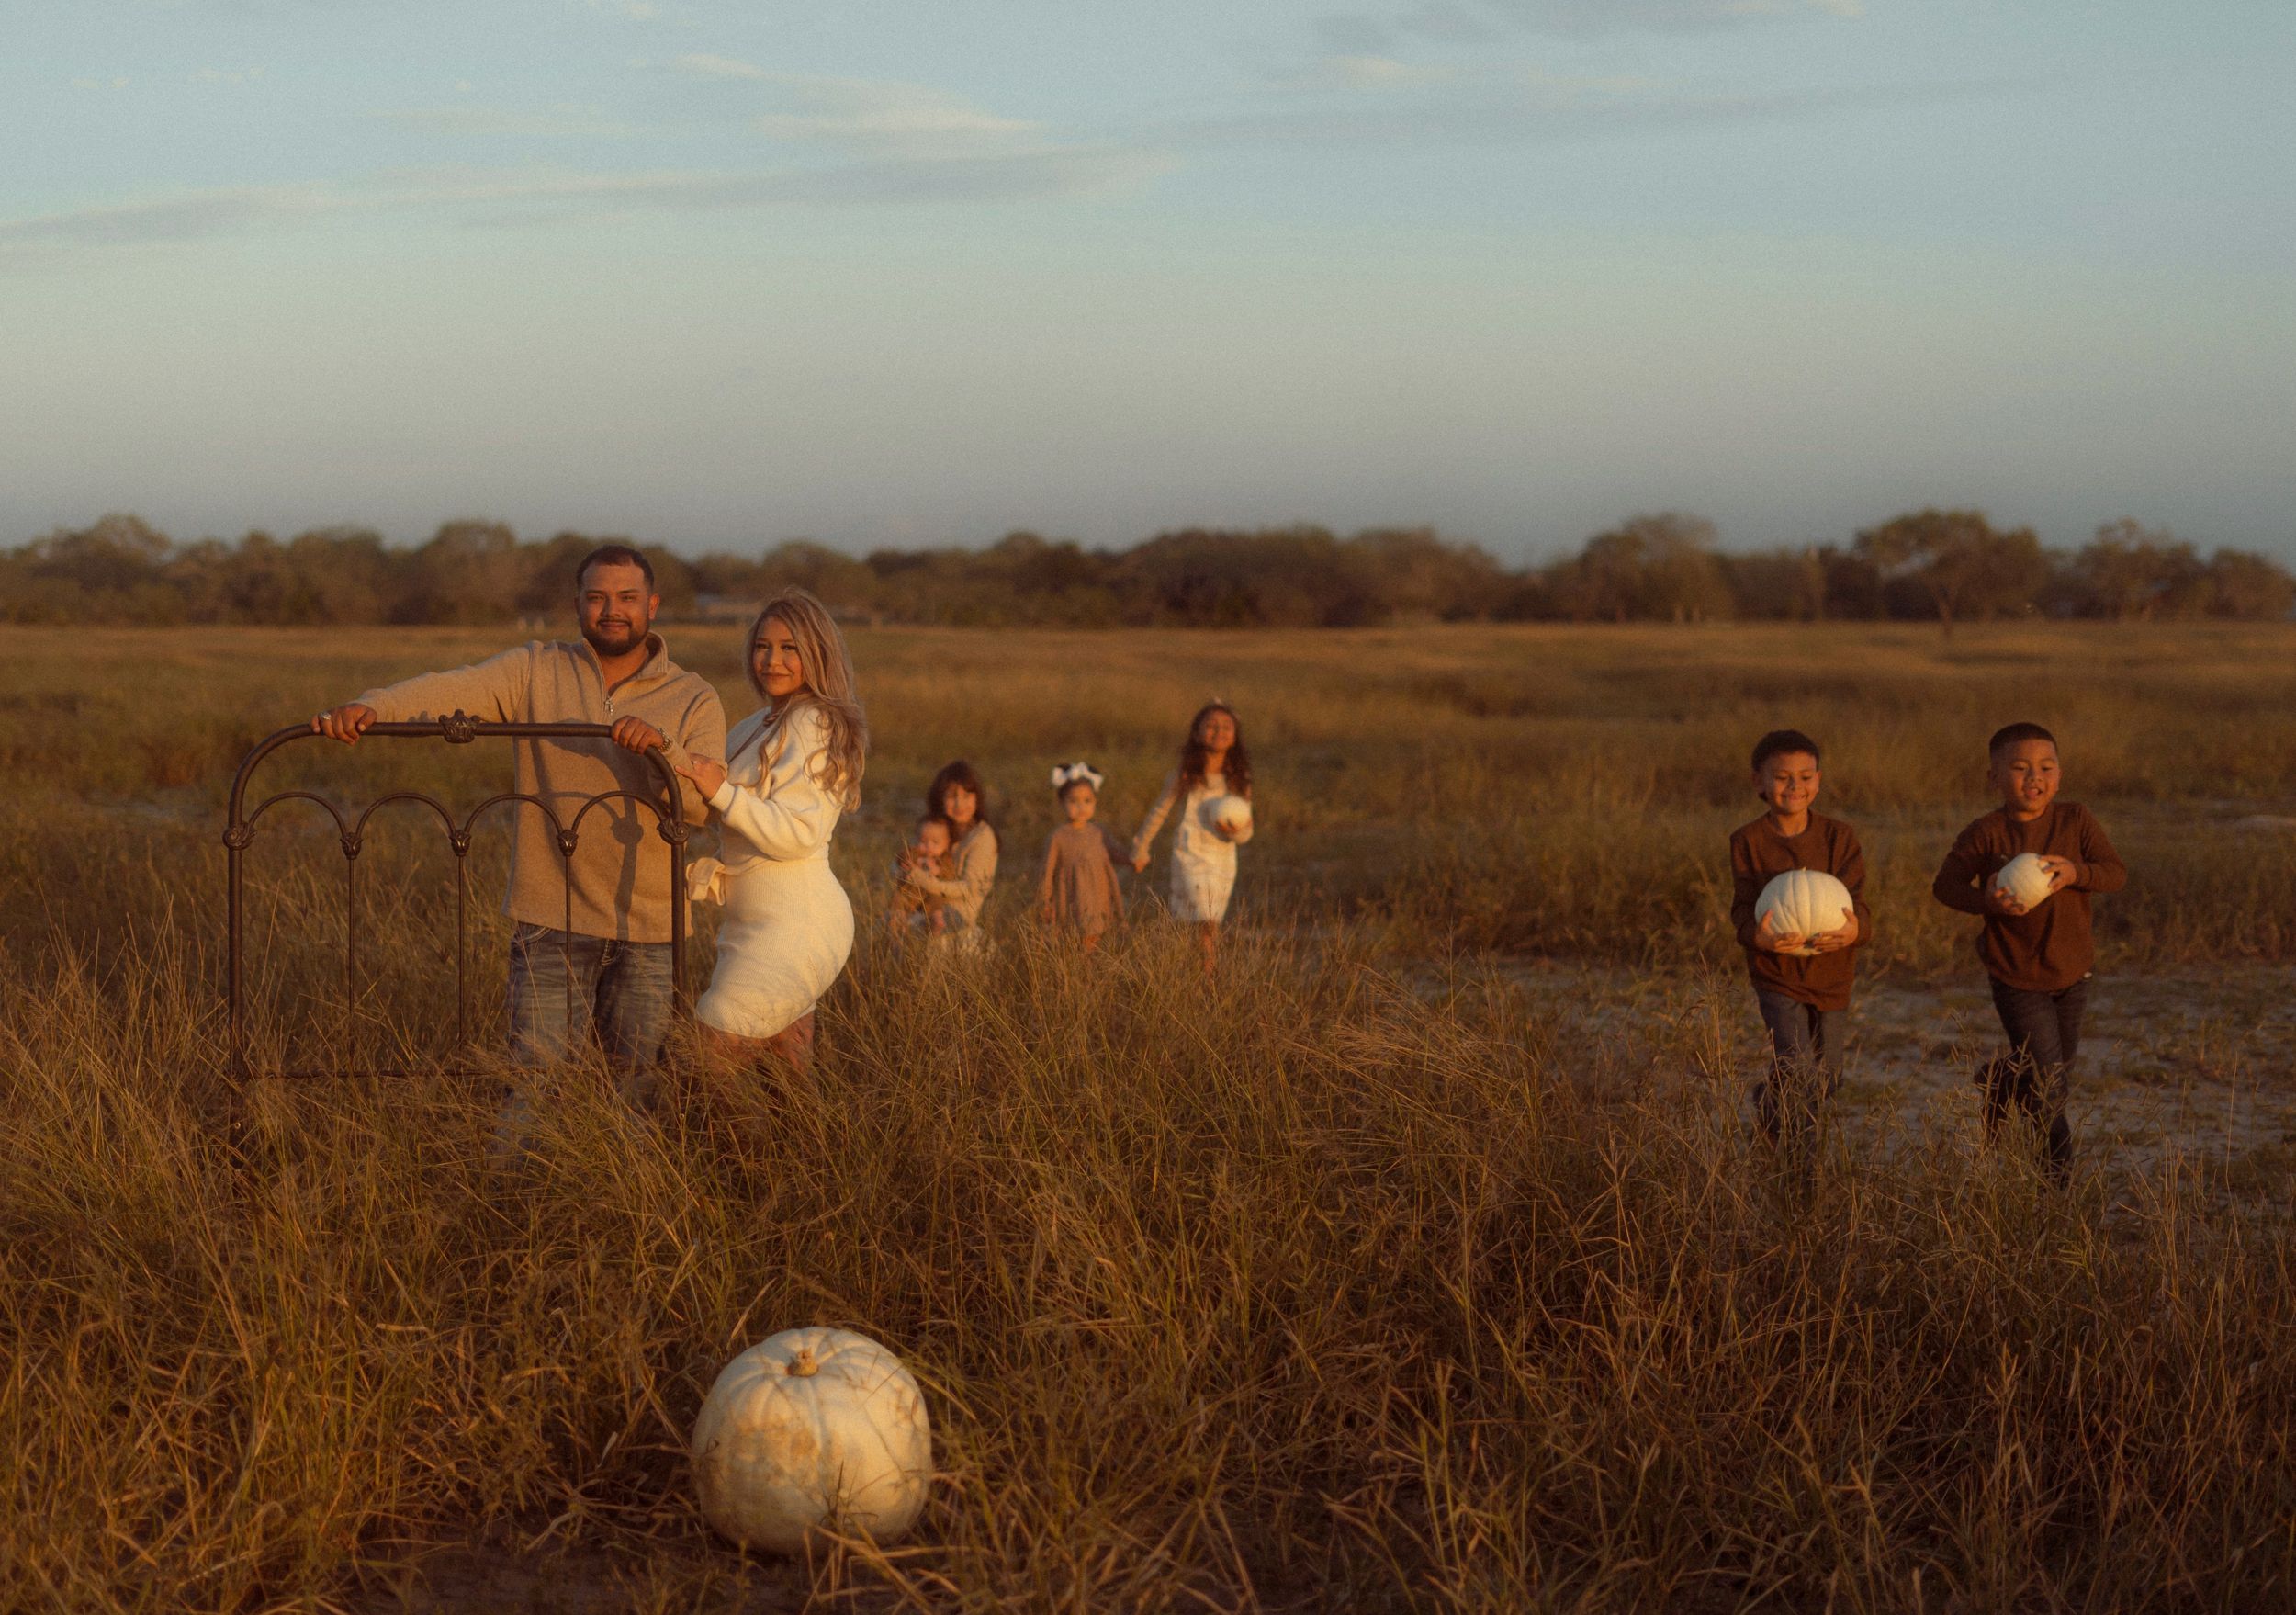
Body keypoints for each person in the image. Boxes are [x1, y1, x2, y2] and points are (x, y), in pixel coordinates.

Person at [310, 544, 724, 1088]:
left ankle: (622, 1177)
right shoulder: (537, 667)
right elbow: (454, 687)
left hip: (649, 926)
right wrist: (375, 707)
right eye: (597, 597)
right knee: (534, 1083)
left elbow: (697, 811)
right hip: (549, 917)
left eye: (627, 598)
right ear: (577, 603)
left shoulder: (695, 697)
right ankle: (520, 1176)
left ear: (653, 605)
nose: (611, 610)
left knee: (636, 1090)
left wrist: (660, 751)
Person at [674, 588, 866, 1075]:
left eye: (789, 648)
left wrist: (723, 793)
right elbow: (711, 789)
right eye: (763, 646)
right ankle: (801, 1154)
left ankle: (729, 1154)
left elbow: (800, 833)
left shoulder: (815, 722)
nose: (772, 660)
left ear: (817, 654)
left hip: (794, 927)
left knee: (705, 1055)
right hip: (753, 924)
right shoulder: (757, 724)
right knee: (786, 1081)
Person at [1931, 721, 2127, 1183]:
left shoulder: (2074, 820)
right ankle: (2055, 1184)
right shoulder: (1986, 833)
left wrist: (2077, 872)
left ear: (2059, 774)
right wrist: (1987, 902)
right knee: (2050, 1086)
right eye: (2019, 768)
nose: (2034, 777)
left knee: (2052, 1073)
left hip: (2073, 972)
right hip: (2016, 976)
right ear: (1994, 777)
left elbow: (2114, 872)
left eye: (2045, 766)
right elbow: (1946, 887)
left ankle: (2000, 1081)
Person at [1727, 728, 1871, 1157]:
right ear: (1759, 782)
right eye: (1783, 777)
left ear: (1819, 780)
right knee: (1798, 1069)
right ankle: (1801, 1170)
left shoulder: (1839, 837)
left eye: (1805, 777)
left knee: (1828, 1077)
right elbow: (1742, 908)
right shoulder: (1747, 840)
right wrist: (1759, 937)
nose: (1795, 787)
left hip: (1831, 972)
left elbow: (1858, 903)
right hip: (1776, 972)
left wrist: (1854, 931)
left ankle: (1769, 1107)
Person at [1130, 701, 1254, 972]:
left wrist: (1237, 832)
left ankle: (1192, 972)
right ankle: (1208, 974)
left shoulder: (1238, 778)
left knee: (1203, 922)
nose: (1218, 731)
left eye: (1226, 727)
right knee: (1205, 919)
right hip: (1190, 854)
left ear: (1234, 737)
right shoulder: (1185, 775)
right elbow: (1159, 812)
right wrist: (1141, 847)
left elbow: (1247, 830)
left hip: (1222, 858)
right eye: (1210, 726)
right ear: (1196, 733)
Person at [904, 761, 999, 946]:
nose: (959, 804)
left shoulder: (983, 838)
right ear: (940, 799)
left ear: (977, 798)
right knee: (889, 923)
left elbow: (969, 888)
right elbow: (912, 854)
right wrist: (903, 869)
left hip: (958, 914)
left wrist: (926, 881)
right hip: (926, 905)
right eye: (951, 796)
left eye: (966, 796)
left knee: (921, 933)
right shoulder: (941, 829)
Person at [1037, 762, 1127, 954]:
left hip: (1098, 896)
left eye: (1087, 801)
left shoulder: (1099, 832)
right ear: (1061, 803)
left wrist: (1133, 859)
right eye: (1073, 801)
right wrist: (1045, 902)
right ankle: (1082, 977)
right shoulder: (1058, 837)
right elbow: (1047, 872)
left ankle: (1093, 975)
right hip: (1072, 898)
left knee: (1099, 940)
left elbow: (1116, 853)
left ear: (1095, 802)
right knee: (1076, 941)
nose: (1081, 807)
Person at [887, 814, 956, 940]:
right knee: (898, 897)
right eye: (923, 842)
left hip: (930, 894)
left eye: (935, 842)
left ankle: (937, 919)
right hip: (909, 892)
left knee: (937, 900)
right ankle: (898, 918)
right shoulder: (914, 853)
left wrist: (938, 870)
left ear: (947, 844)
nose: (929, 846)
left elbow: (950, 873)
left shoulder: (944, 859)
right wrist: (907, 865)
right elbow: (900, 860)